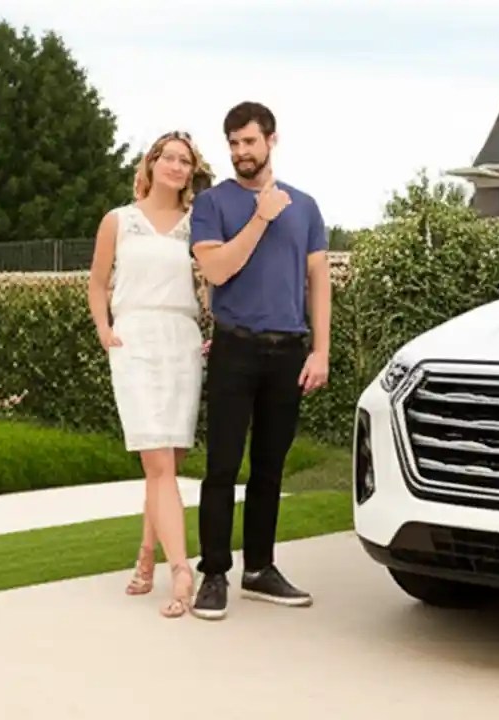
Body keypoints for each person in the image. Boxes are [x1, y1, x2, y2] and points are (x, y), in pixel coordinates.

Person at [186, 101, 331, 621]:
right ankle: (214, 575)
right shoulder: (212, 204)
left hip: (288, 352)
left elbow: (319, 282)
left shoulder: (307, 207)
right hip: (234, 347)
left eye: (249, 141)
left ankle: (260, 569)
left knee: (269, 468)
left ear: (272, 140)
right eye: (232, 143)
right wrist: (260, 218)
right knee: (221, 467)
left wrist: (321, 350)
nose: (240, 152)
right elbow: (218, 271)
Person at [87, 130, 213, 618]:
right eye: (169, 158)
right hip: (135, 341)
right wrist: (105, 329)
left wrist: (213, 328)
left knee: (166, 465)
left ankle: (145, 558)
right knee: (157, 461)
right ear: (152, 162)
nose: (177, 167)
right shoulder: (118, 221)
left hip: (181, 342)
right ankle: (182, 571)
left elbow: (211, 285)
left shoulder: (196, 225)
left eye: (185, 161)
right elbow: (97, 283)